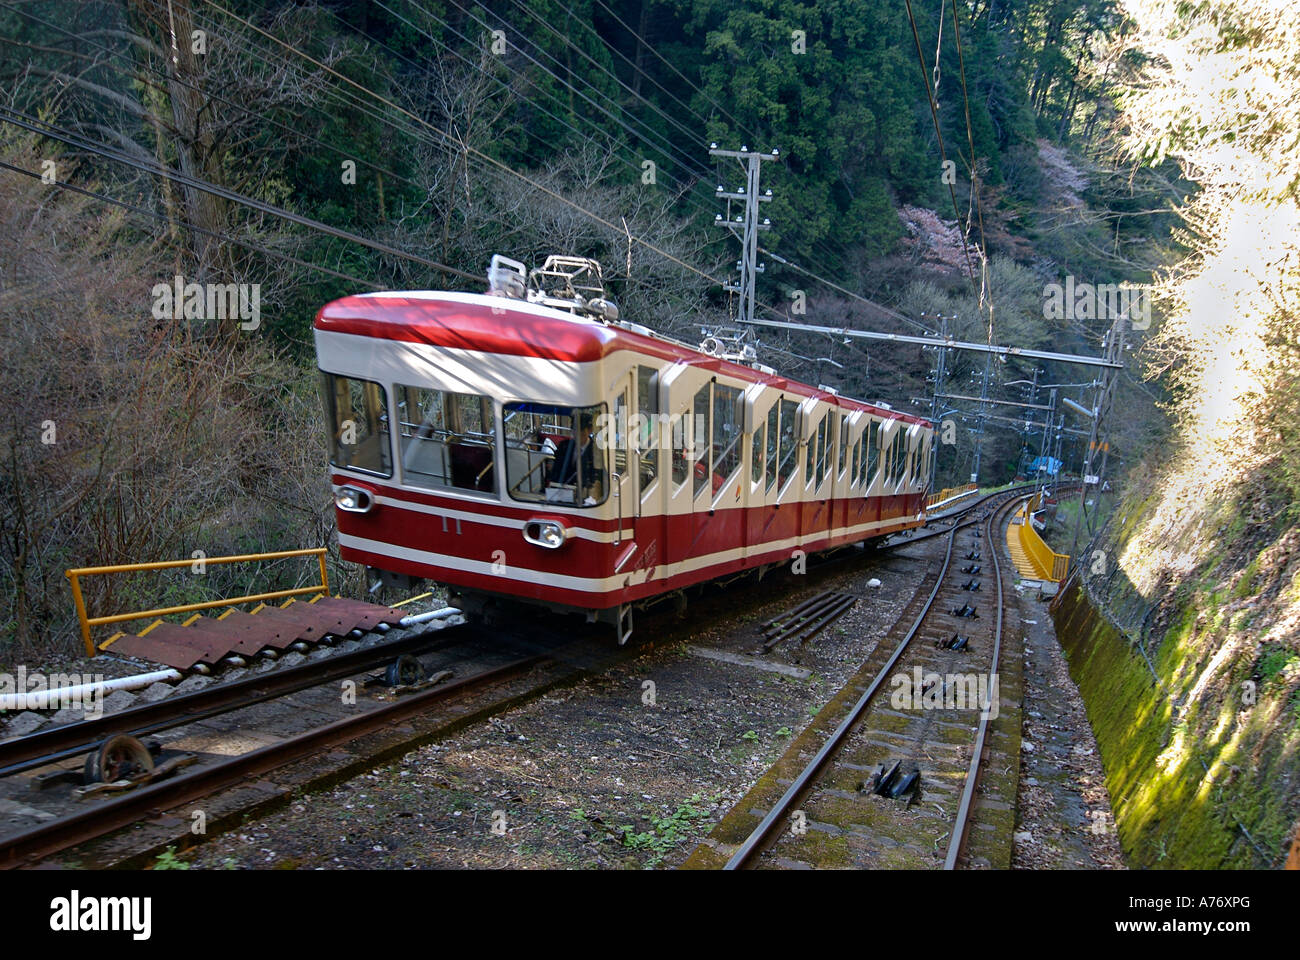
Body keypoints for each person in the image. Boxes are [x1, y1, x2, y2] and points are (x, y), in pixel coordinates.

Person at [546, 414, 602, 503]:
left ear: (590, 430)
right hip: (560, 496)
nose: (577, 435)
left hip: (584, 499)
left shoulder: (597, 452)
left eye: (581, 432)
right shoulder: (563, 446)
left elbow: (596, 480)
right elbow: (555, 472)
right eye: (574, 431)